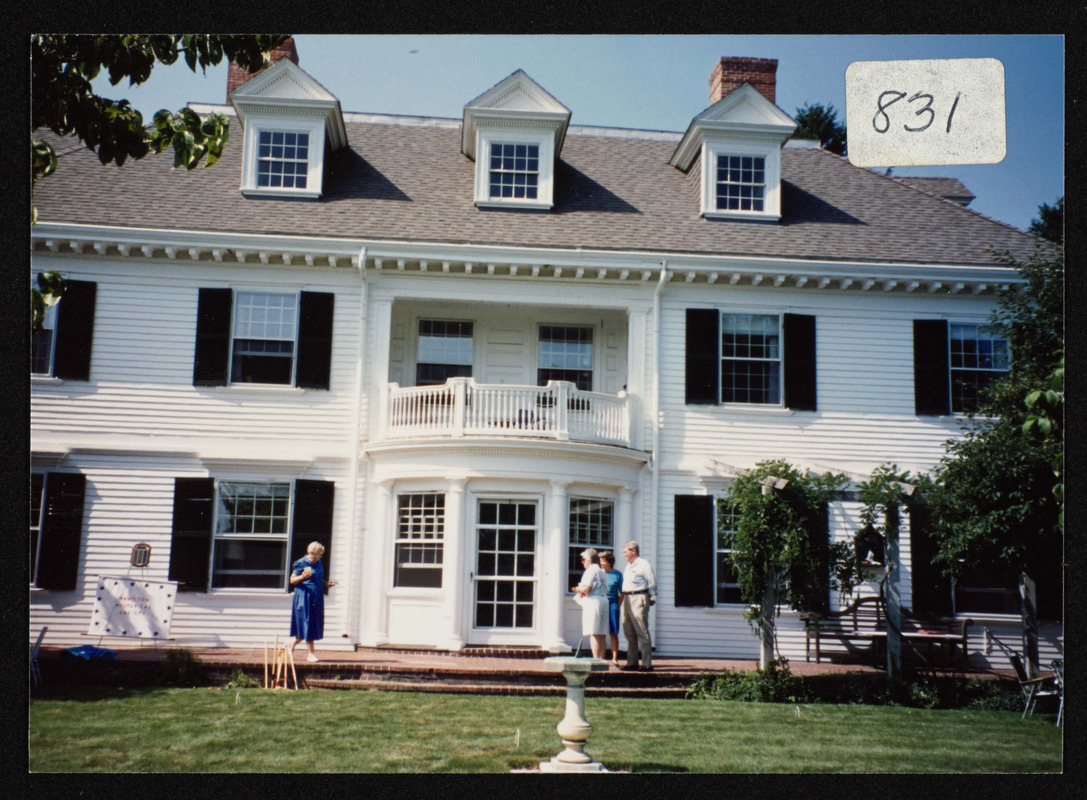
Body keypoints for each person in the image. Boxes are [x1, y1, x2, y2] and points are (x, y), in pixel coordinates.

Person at [289, 541, 336, 662]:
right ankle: (311, 654)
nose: (313, 557)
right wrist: (302, 577)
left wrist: (326, 583)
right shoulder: (301, 563)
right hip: (305, 596)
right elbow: (292, 580)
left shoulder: (319, 563)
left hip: (317, 597)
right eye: (311, 554)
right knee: (308, 622)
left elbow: (318, 578)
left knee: (313, 623)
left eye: (316, 555)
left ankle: (291, 644)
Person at [620, 540, 656, 671]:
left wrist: (652, 596)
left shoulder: (643, 564)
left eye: (625, 552)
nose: (624, 554)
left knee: (642, 631)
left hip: (639, 597)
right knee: (629, 631)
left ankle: (647, 664)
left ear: (633, 551)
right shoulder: (628, 565)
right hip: (627, 598)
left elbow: (651, 582)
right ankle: (632, 663)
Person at [571, 548, 609, 660]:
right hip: (603, 600)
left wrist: (577, 589)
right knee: (601, 634)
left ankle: (596, 660)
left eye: (583, 559)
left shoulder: (590, 571)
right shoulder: (602, 571)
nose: (582, 561)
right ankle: (601, 660)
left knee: (594, 633)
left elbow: (587, 589)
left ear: (590, 559)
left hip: (593, 602)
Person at [599, 551, 623, 667]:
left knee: (613, 632)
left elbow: (622, 591)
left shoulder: (617, 575)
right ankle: (600, 658)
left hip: (613, 604)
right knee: (600, 631)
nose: (601, 563)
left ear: (609, 562)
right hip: (601, 603)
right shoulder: (598, 573)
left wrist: (618, 604)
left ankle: (614, 658)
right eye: (600, 561)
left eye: (603, 561)